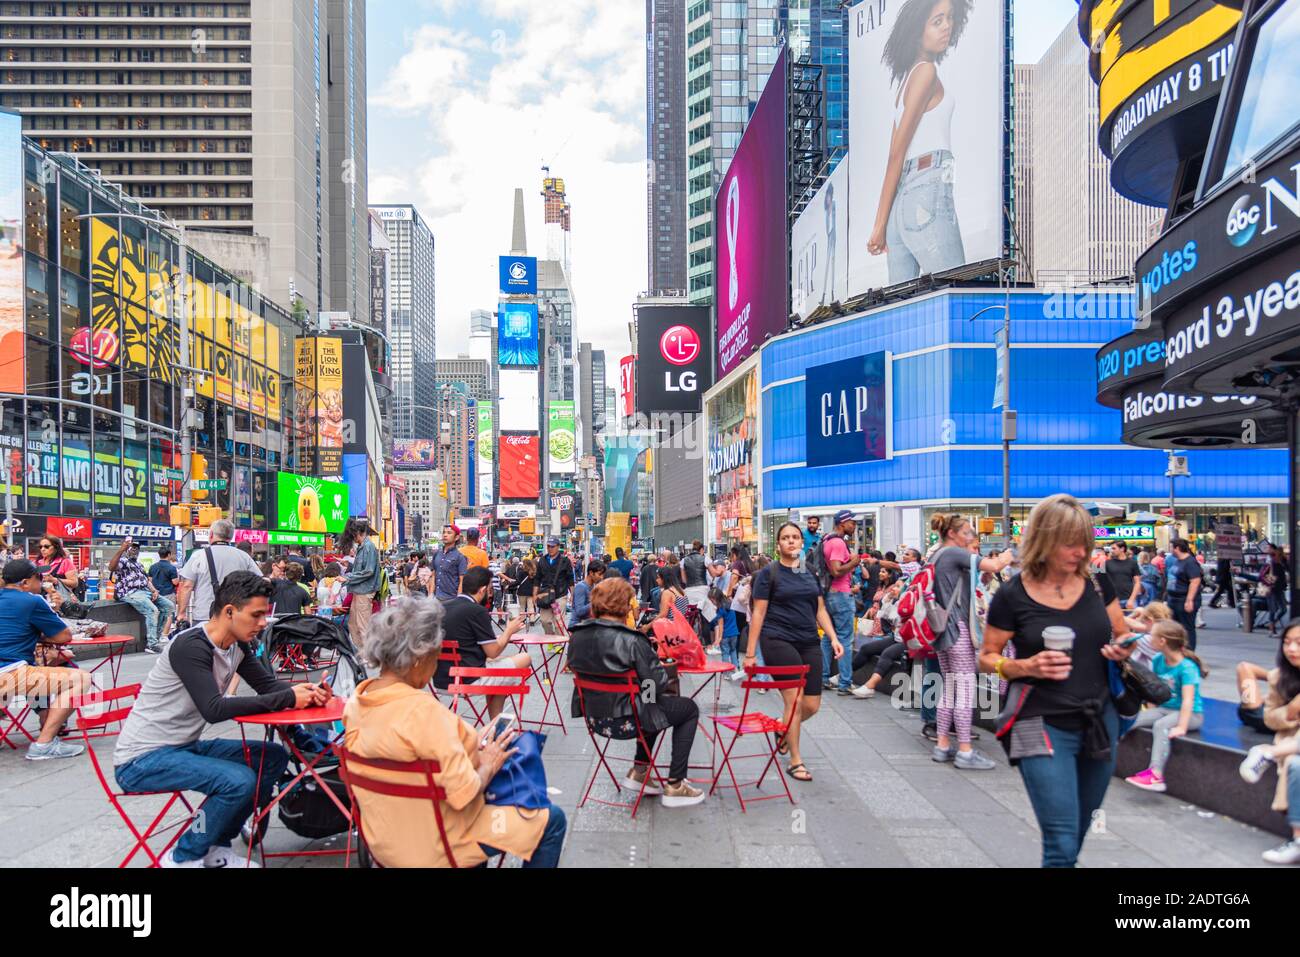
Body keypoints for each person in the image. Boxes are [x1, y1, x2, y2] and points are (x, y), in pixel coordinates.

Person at [113, 573, 331, 868]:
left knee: (271, 757)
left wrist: (310, 691)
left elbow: (268, 686)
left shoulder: (237, 646)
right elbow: (213, 709)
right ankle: (184, 855)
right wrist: (290, 698)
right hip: (140, 760)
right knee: (238, 782)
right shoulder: (190, 646)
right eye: (256, 615)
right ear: (229, 611)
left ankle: (216, 845)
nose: (263, 623)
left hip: (182, 748)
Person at [342, 596, 566, 868]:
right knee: (550, 819)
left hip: (385, 840)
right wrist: (489, 762)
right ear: (419, 658)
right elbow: (465, 793)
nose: (436, 666)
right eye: (435, 657)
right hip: (441, 842)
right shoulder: (426, 713)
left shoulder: (356, 703)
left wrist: (468, 739)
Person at [980, 494, 1136, 868]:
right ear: (1044, 541)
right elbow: (987, 659)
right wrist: (1026, 666)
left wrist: (1122, 649)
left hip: (1100, 719)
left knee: (1079, 828)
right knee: (1061, 842)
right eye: (1070, 543)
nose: (1081, 552)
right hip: (1038, 721)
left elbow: (1121, 634)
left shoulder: (1098, 585)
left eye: (1086, 543)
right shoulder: (1011, 594)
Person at [568, 578, 706, 807]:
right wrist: (657, 658)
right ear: (624, 604)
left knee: (651, 699)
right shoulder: (632, 640)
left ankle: (640, 770)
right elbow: (657, 680)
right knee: (686, 708)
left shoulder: (577, 636)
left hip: (595, 718)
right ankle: (675, 784)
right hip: (629, 719)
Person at [867, 0, 972, 284]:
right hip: (927, 194)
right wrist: (878, 226)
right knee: (957, 295)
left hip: (903, 206)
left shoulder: (906, 82)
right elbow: (896, 154)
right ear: (917, 31)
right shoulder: (925, 73)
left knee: (904, 316)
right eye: (937, 21)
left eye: (949, 19)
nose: (947, 26)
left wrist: (884, 223)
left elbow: (895, 157)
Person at [745, 522, 842, 783]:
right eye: (785, 538)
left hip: (809, 640)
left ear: (802, 543)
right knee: (795, 700)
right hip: (777, 639)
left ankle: (782, 727)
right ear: (778, 545)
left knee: (811, 705)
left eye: (795, 537)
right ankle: (796, 761)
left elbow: (820, 609)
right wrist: (751, 653)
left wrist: (833, 637)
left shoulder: (809, 571)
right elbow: (759, 612)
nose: (791, 541)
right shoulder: (769, 573)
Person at [928, 513, 1014, 769]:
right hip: (958, 630)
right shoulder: (953, 553)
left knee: (951, 689)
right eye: (966, 532)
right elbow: (996, 565)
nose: (971, 537)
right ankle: (965, 750)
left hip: (942, 631)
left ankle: (943, 745)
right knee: (964, 690)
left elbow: (975, 577)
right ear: (953, 534)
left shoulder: (937, 554)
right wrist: (1012, 551)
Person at [0, 560, 94, 760]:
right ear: (25, 582)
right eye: (38, 578)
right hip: (9, 672)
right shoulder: (32, 601)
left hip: (12, 672)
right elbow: (63, 637)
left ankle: (45, 723)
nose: (41, 582)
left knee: (36, 671)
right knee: (80, 679)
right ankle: (44, 744)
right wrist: (39, 635)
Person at [432, 567, 534, 722]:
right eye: (490, 589)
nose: (491, 593)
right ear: (483, 590)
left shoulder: (441, 607)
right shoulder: (476, 611)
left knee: (500, 675)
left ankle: (496, 725)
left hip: (440, 679)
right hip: (467, 678)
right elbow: (493, 651)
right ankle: (497, 726)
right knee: (524, 658)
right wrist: (509, 631)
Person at [1237, 622, 1300, 864]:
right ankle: (1297, 841)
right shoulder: (1279, 677)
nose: (1292, 649)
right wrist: (1291, 711)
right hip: (1292, 736)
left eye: (1298, 643)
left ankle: (1269, 753)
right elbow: (1270, 719)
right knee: (1295, 765)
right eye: (1287, 643)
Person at [1124, 621, 1208, 792]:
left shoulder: (1187, 667)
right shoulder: (1158, 660)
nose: (1148, 639)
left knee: (1161, 725)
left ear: (1162, 641)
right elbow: (1153, 688)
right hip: (1164, 709)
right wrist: (1151, 709)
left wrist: (1182, 727)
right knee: (1131, 719)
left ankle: (1156, 774)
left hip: (1191, 715)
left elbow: (1188, 700)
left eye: (1152, 636)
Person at [174, 519, 262, 628]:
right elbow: (260, 582)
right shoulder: (243, 556)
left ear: (211, 535)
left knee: (205, 644)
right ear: (230, 537)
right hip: (235, 615)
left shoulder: (199, 556)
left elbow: (186, 586)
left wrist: (181, 613)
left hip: (205, 616)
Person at [821, 510, 863, 696]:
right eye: (851, 522)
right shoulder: (838, 542)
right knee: (845, 638)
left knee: (827, 638)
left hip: (829, 595)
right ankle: (845, 682)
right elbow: (837, 570)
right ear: (842, 523)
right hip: (841, 595)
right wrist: (854, 562)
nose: (854, 525)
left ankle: (823, 677)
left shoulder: (827, 540)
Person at [107, 538, 164, 654]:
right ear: (127, 550)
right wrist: (121, 550)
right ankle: (152, 644)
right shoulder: (123, 561)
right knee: (152, 610)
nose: (135, 551)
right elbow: (111, 568)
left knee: (168, 606)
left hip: (144, 591)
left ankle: (155, 639)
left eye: (137, 549)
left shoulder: (139, 565)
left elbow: (146, 580)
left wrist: (154, 591)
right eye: (132, 548)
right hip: (129, 592)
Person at [340, 518, 381, 651]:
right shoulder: (364, 547)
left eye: (354, 535)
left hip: (365, 590)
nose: (354, 538)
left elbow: (368, 571)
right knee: (354, 624)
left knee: (362, 625)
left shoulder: (368, 547)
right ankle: (362, 652)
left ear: (359, 532)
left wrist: (348, 577)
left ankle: (368, 654)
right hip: (360, 590)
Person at [1164, 539, 1204, 650]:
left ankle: (1189, 652)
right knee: (1175, 627)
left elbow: (1195, 581)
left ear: (1177, 548)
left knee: (1187, 627)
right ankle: (1178, 650)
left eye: (1171, 547)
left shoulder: (1190, 562)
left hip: (1183, 599)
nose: (1170, 550)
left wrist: (1189, 600)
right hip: (1173, 598)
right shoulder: (1177, 561)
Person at [535, 539, 574, 636]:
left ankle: (558, 643)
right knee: (544, 621)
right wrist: (534, 594)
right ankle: (551, 638)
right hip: (545, 596)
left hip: (559, 596)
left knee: (558, 622)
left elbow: (570, 579)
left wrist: (573, 595)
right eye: (548, 546)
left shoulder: (565, 561)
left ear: (558, 547)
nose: (550, 548)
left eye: (552, 546)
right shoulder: (542, 560)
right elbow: (537, 579)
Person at [149, 545, 180, 640]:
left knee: (157, 614)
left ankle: (156, 635)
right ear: (169, 555)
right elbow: (175, 582)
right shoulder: (171, 568)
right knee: (169, 614)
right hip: (168, 593)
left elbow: (149, 580)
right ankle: (164, 635)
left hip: (156, 594)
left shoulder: (153, 567)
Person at [431, 526, 468, 602]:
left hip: (451, 599)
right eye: (444, 532)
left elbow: (462, 581)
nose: (445, 535)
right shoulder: (436, 554)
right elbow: (433, 576)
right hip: (435, 599)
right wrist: (430, 595)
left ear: (456, 537)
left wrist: (458, 600)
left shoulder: (460, 557)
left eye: (449, 533)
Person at [1103, 541, 1142, 611]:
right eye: (1111, 548)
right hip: (1113, 601)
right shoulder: (1107, 563)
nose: (1111, 551)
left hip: (1129, 599)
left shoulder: (1132, 563)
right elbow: (1101, 581)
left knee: (1131, 621)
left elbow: (1137, 582)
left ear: (1122, 549)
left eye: (1114, 548)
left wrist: (1132, 599)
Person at [568, 560, 605, 629]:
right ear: (591, 573)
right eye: (599, 574)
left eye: (603, 575)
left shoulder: (594, 586)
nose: (601, 577)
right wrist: (595, 602)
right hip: (578, 626)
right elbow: (579, 611)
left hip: (588, 624)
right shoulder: (581, 587)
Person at [1263, 543, 1289, 636]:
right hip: (1272, 588)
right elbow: (1267, 575)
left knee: (1283, 609)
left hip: (1279, 588)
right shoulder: (1272, 562)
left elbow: (1288, 570)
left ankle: (1272, 624)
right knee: (1273, 609)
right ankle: (1271, 629)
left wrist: (1285, 561)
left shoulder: (1282, 563)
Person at [517, 558, 539, 623]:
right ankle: (532, 619)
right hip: (530, 592)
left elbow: (518, 581)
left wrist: (510, 584)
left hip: (522, 591)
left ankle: (522, 619)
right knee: (531, 606)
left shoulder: (521, 572)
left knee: (522, 607)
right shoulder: (533, 572)